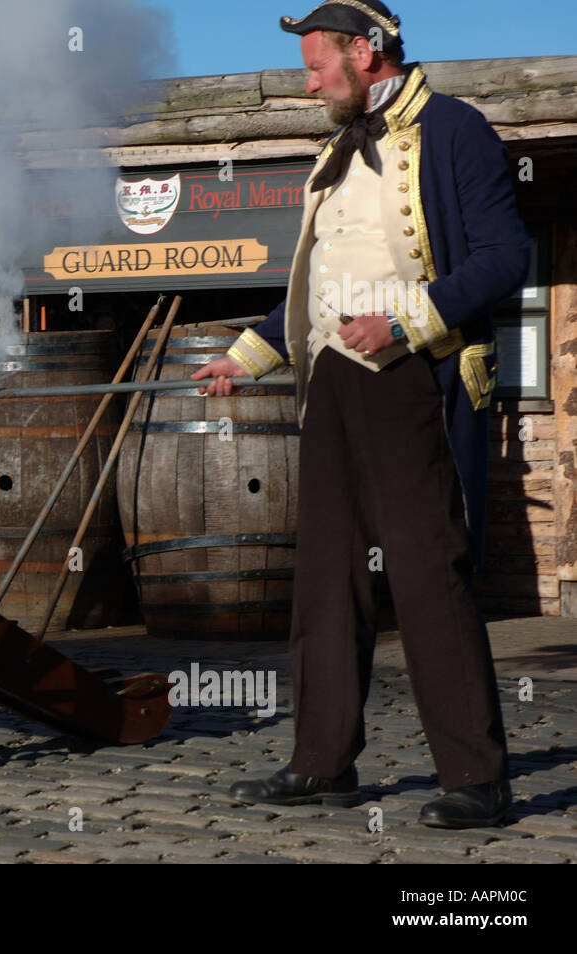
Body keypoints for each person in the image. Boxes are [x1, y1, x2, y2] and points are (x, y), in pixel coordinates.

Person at [192, 0, 530, 828]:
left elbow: (503, 257)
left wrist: (408, 318)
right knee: (325, 578)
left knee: (424, 572)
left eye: (317, 66)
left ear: (368, 52)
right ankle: (323, 764)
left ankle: (476, 778)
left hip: (412, 375)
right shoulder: (335, 151)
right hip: (332, 386)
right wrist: (246, 356)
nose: (308, 83)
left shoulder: (454, 130)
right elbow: (317, 290)